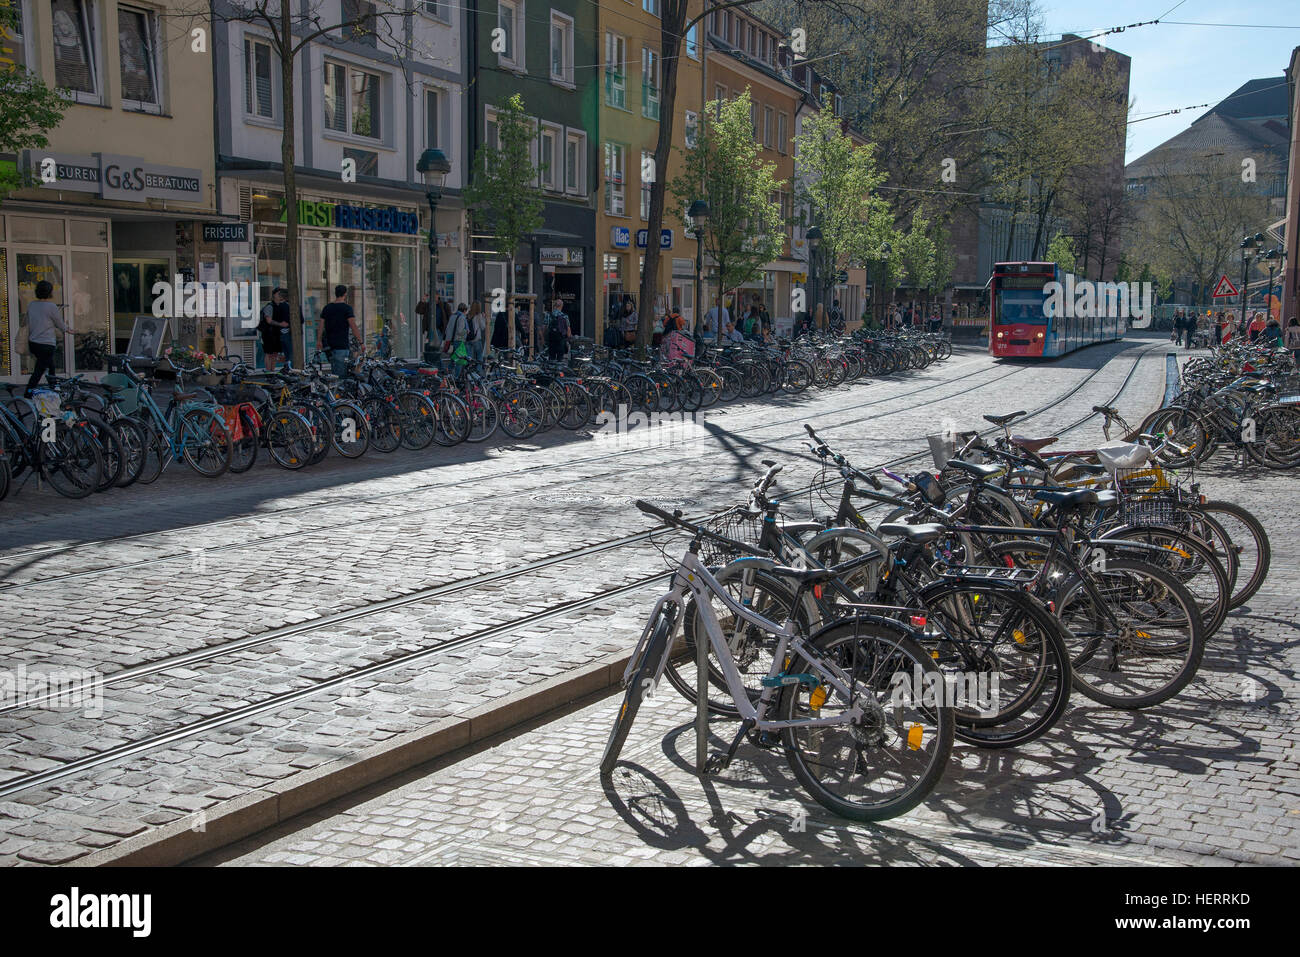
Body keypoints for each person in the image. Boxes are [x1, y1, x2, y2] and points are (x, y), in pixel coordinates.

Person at [23, 281, 68, 395]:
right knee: (39, 370)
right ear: (50, 292)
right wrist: (68, 329)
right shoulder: (51, 306)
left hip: (34, 342)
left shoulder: (31, 305)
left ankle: (53, 386)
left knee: (49, 363)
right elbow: (60, 324)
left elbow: (27, 321)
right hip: (46, 343)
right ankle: (28, 392)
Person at [318, 284, 360, 376]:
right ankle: (338, 389)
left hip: (328, 345)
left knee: (334, 371)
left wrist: (319, 341)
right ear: (345, 294)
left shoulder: (327, 308)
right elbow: (353, 326)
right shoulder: (347, 308)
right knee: (340, 375)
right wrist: (361, 342)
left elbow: (321, 325)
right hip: (341, 345)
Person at [258, 289, 286, 370]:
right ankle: (268, 373)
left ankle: (272, 371)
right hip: (268, 334)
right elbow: (269, 320)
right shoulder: (269, 306)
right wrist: (281, 324)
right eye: (279, 294)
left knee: (275, 354)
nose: (281, 295)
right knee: (269, 353)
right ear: (274, 296)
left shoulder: (280, 306)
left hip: (276, 333)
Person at [466, 301, 486, 368]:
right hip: (476, 339)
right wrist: (483, 317)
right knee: (479, 357)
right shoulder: (479, 316)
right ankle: (478, 373)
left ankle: (469, 374)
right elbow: (483, 327)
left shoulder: (468, 315)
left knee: (469, 358)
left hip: (468, 339)